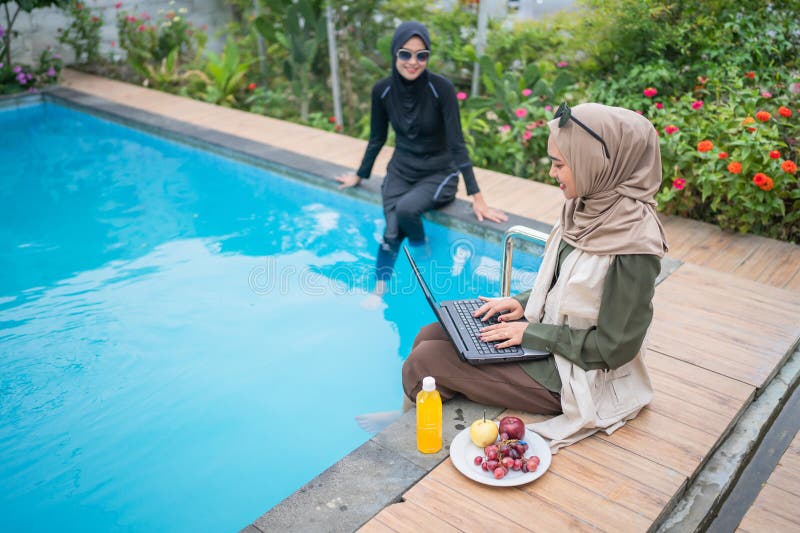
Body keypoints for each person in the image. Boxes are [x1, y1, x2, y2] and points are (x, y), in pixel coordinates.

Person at [401, 102, 669, 451]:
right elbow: (567, 287)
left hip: (574, 373)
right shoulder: (586, 207)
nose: (552, 173)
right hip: (549, 339)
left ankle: (410, 418)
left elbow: (615, 348)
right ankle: (412, 409)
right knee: (430, 334)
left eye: (559, 164)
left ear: (595, 162)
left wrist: (531, 333)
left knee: (426, 362)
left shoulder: (633, 244)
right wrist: (520, 303)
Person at [337, 21, 507, 301]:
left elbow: (457, 144)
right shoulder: (382, 91)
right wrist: (359, 175)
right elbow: (377, 138)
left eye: (421, 55)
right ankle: (380, 289)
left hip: (439, 173)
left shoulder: (442, 89)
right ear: (394, 54)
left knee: (405, 211)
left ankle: (423, 249)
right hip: (401, 170)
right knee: (390, 230)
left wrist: (477, 196)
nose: (413, 62)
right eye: (405, 54)